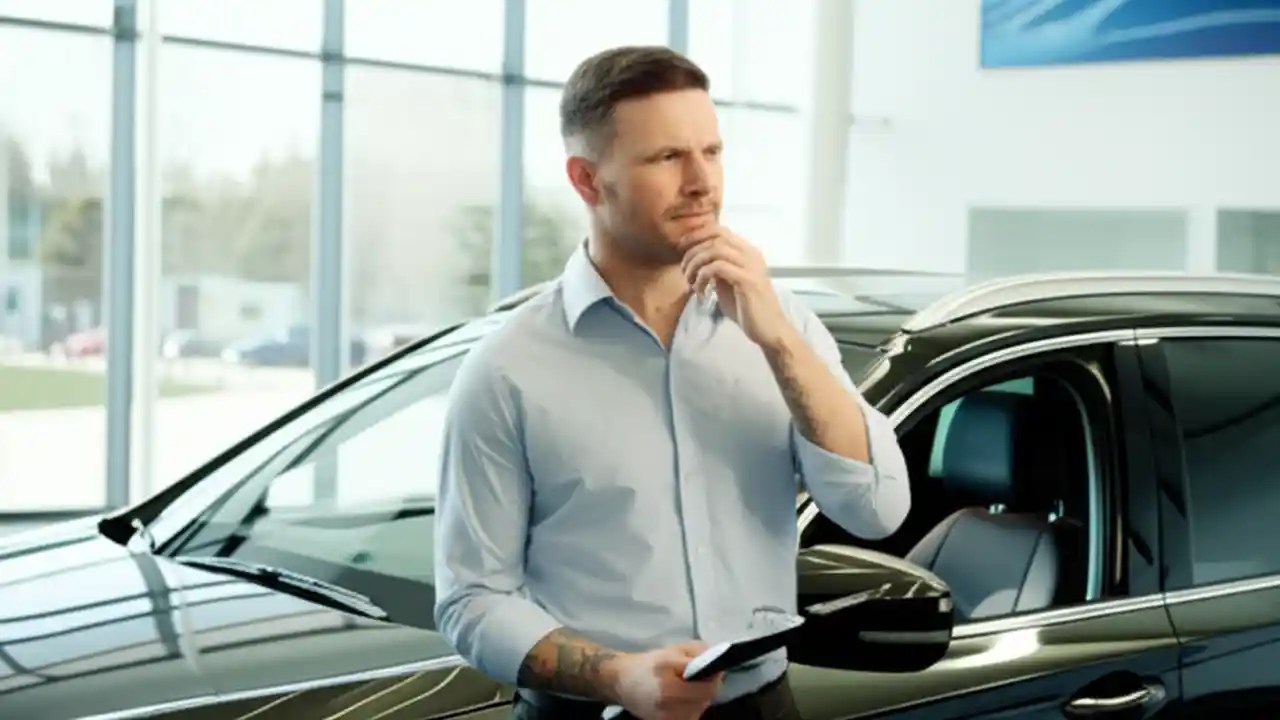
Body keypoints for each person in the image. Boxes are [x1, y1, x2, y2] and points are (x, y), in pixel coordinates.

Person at [434, 45, 911, 720]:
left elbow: (876, 509)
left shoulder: (783, 326)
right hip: (590, 713)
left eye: (711, 152)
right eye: (667, 158)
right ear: (587, 180)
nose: (702, 182)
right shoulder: (509, 369)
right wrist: (620, 677)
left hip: (762, 706)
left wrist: (776, 339)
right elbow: (471, 600)